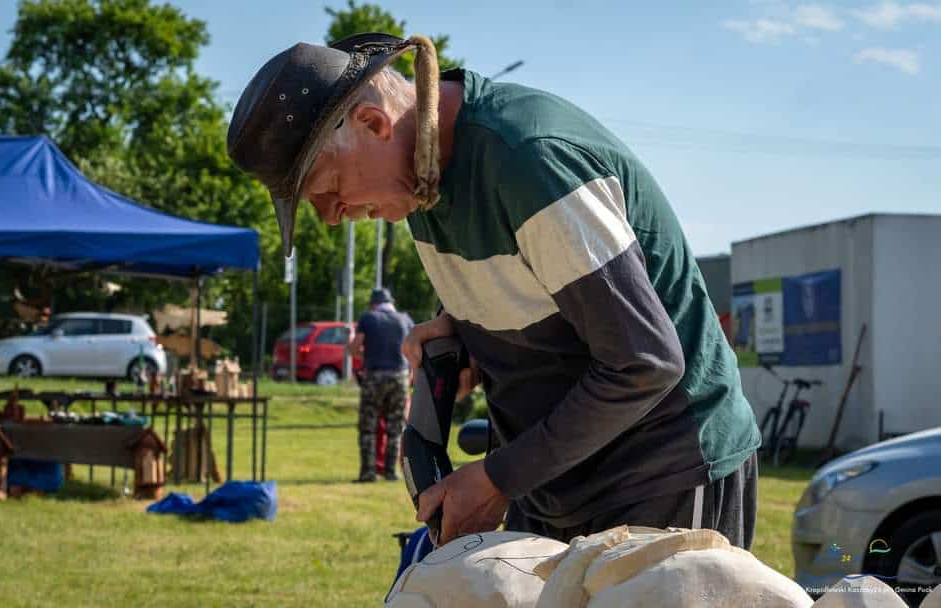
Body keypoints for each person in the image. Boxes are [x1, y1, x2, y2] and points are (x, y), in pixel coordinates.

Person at [227, 33, 761, 547]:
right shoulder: (419, 180)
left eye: (328, 190)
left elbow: (643, 363)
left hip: (660, 472)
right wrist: (460, 328)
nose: (330, 217)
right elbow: (543, 292)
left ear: (372, 123)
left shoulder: (530, 161)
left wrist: (498, 479)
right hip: (552, 478)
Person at [348, 287, 413, 482]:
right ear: (391, 302)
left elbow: (354, 349)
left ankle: (368, 472)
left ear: (373, 304)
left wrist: (361, 353)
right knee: (396, 427)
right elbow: (412, 350)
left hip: (375, 375)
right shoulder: (405, 319)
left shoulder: (368, 318)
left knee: (368, 425)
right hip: (400, 376)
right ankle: (390, 471)